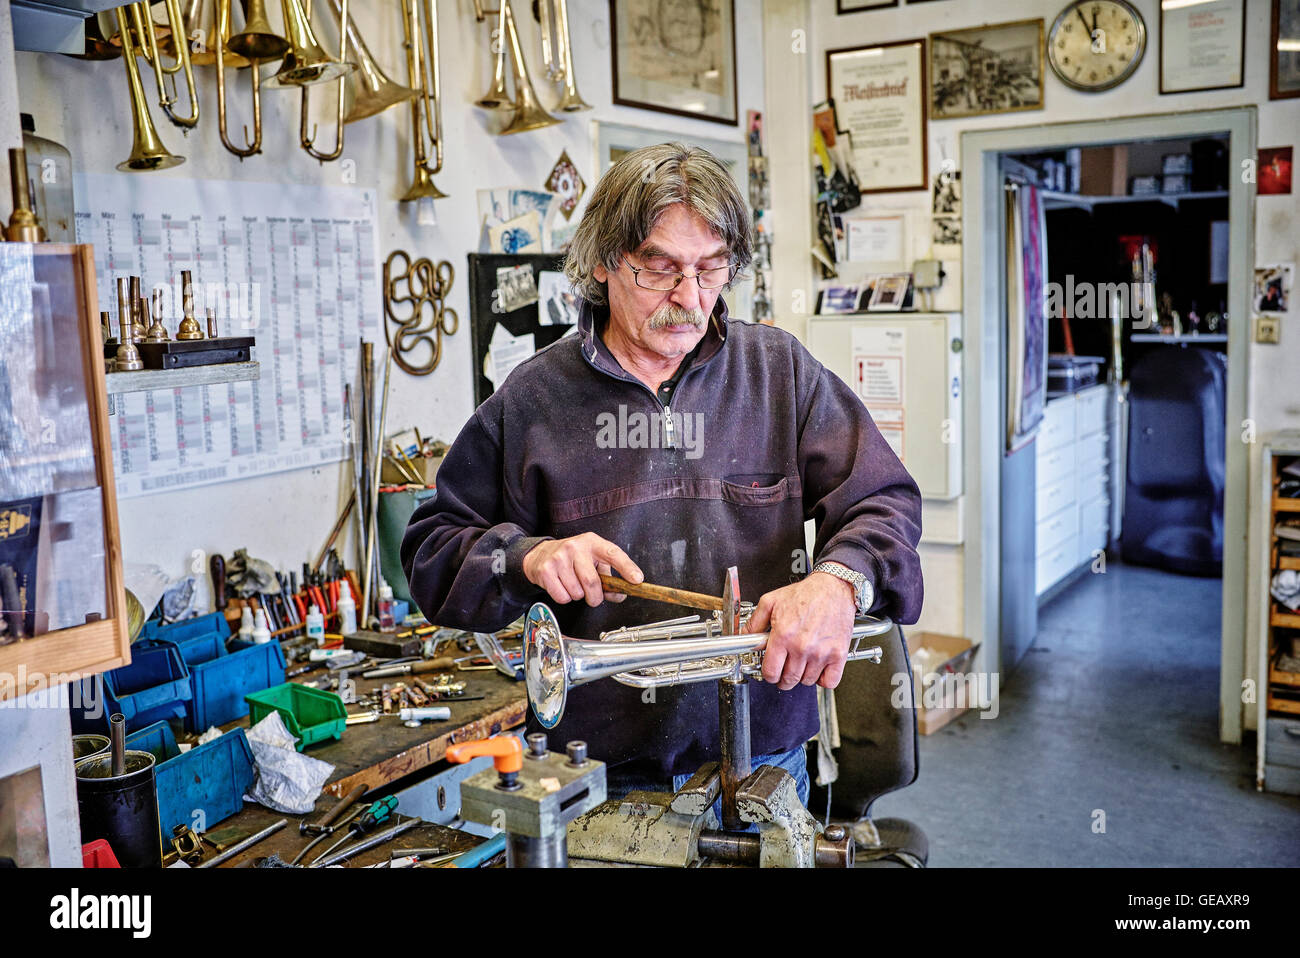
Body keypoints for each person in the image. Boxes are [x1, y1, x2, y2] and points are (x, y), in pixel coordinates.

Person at [401, 142, 923, 807]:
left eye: (712, 268)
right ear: (601, 262)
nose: (690, 297)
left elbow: (884, 499)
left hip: (765, 761)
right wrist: (529, 558)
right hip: (598, 778)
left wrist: (838, 583)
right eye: (660, 268)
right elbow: (431, 547)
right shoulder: (533, 399)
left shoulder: (779, 373)